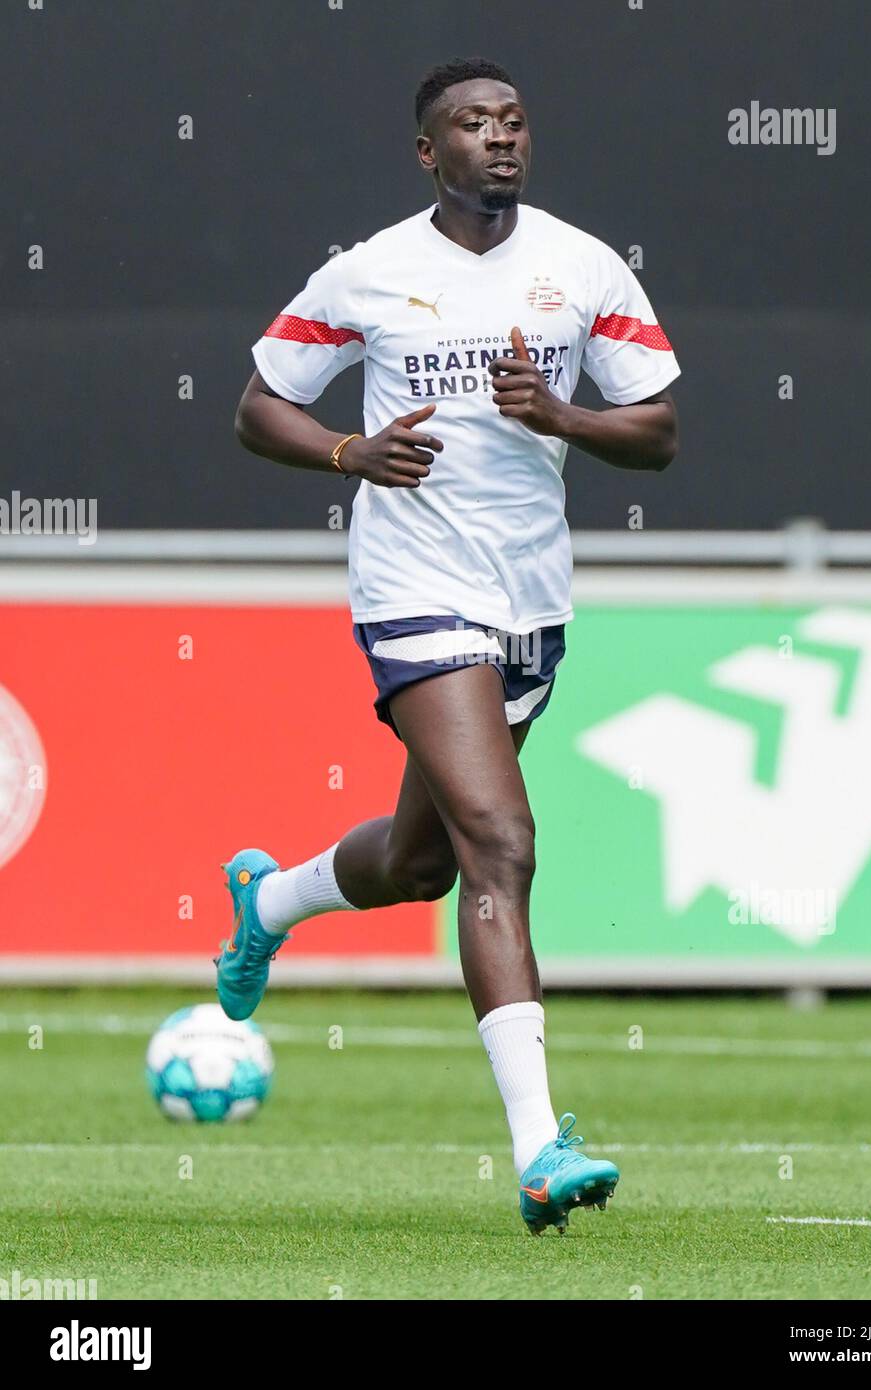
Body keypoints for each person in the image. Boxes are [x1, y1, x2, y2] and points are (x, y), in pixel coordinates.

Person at [216, 55, 680, 1234]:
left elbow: (657, 431)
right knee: (501, 841)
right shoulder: (368, 271)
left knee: (423, 864)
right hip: (412, 583)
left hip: (528, 597)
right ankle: (537, 1149)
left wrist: (561, 415)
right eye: (473, 124)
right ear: (430, 151)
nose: (500, 138)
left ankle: (270, 903)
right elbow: (257, 404)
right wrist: (345, 454)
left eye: (514, 121)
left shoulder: (583, 267)